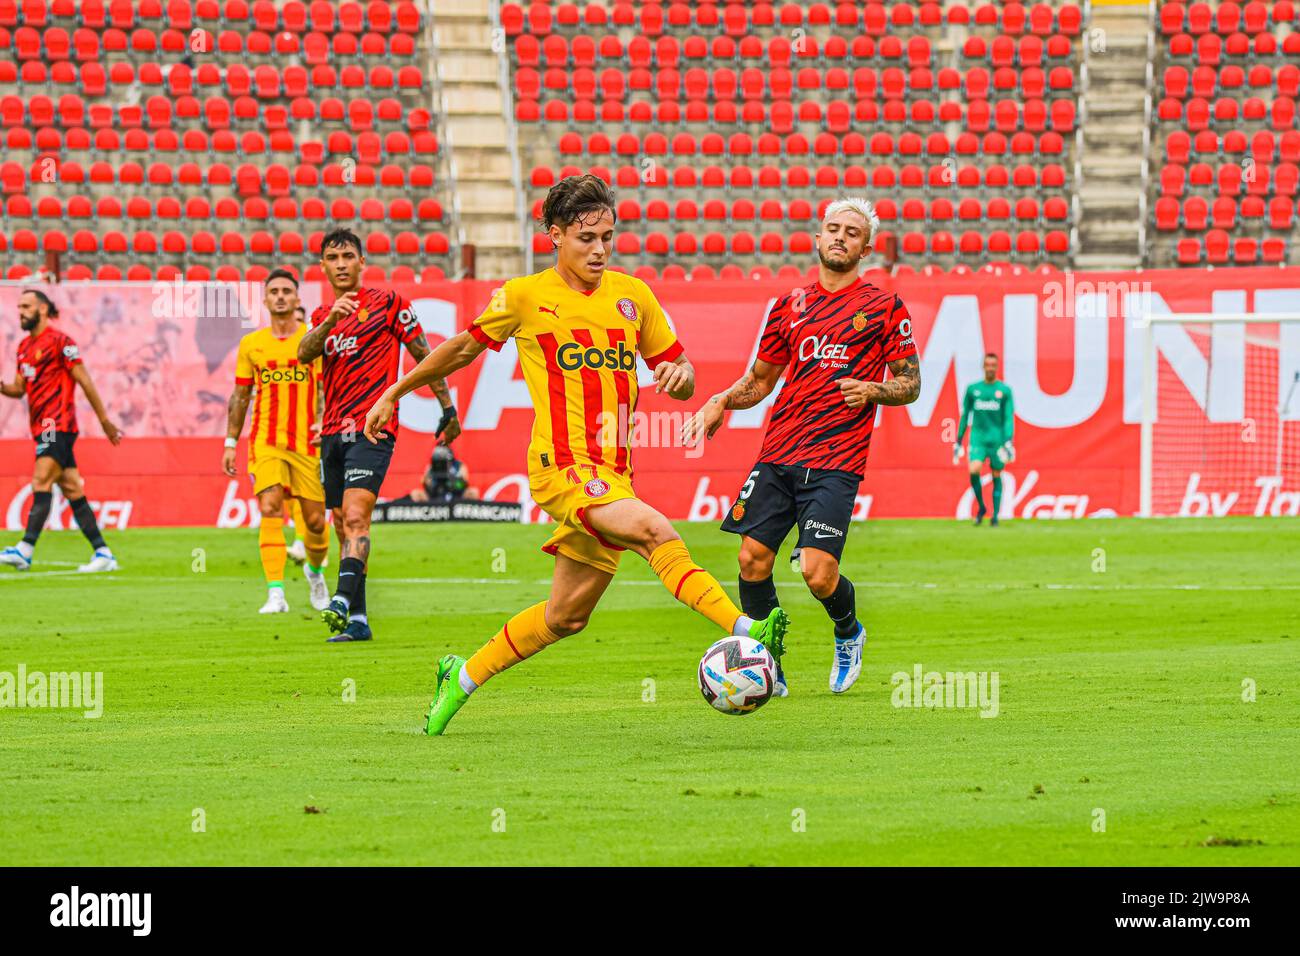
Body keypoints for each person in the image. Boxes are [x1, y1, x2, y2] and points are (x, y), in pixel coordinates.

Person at [363, 174, 790, 735]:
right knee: (656, 531)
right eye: (587, 238)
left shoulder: (633, 296)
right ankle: (746, 627)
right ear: (555, 236)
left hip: (614, 475)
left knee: (565, 617)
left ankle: (459, 678)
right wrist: (395, 392)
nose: (600, 249)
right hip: (561, 468)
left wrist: (678, 376)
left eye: (607, 237)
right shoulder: (525, 296)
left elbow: (682, 377)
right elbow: (462, 348)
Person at [682, 198, 921, 696]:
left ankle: (848, 631)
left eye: (851, 232)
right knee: (751, 559)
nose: (839, 237)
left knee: (816, 572)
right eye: (832, 229)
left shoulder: (883, 307)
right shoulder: (789, 305)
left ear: (865, 247)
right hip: (778, 454)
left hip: (837, 460)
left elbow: (911, 384)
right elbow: (760, 380)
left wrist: (873, 389)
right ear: (817, 238)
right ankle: (766, 660)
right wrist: (721, 400)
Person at [298, 228, 460, 642]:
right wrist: (332, 319)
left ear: (361, 262)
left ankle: (339, 600)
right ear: (322, 266)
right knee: (340, 524)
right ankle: (359, 619)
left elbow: (426, 355)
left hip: (373, 428)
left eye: (347, 256)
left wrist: (446, 407)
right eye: (332, 258)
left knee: (356, 517)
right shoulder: (321, 316)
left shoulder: (388, 304)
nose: (340, 264)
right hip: (332, 433)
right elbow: (304, 354)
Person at [222, 268, 332, 613]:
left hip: (306, 445)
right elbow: (240, 395)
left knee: (314, 521)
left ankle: (314, 571)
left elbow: (325, 390)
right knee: (270, 507)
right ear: (266, 300)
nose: (281, 296)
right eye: (275, 291)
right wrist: (229, 441)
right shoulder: (251, 344)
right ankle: (275, 593)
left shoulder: (312, 342)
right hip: (265, 443)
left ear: (298, 299)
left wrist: (323, 423)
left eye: (287, 291)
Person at [0, 289, 124, 572]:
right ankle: (103, 554)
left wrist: (104, 420)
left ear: (43, 309)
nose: (20, 311)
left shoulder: (61, 343)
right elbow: (19, 389)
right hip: (41, 425)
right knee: (71, 488)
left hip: (56, 423)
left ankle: (25, 548)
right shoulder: (23, 347)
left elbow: (85, 380)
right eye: (18, 306)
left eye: (26, 306)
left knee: (41, 480)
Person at [954, 352, 1016, 526]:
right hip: (978, 439)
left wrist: (1008, 441)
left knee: (997, 474)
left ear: (996, 367)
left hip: (997, 440)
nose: (990, 368)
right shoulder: (973, 389)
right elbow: (965, 415)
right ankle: (981, 507)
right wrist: (959, 440)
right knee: (974, 470)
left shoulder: (1004, 391)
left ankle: (995, 516)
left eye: (993, 365)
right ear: (983, 366)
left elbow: (1008, 418)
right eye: (987, 364)